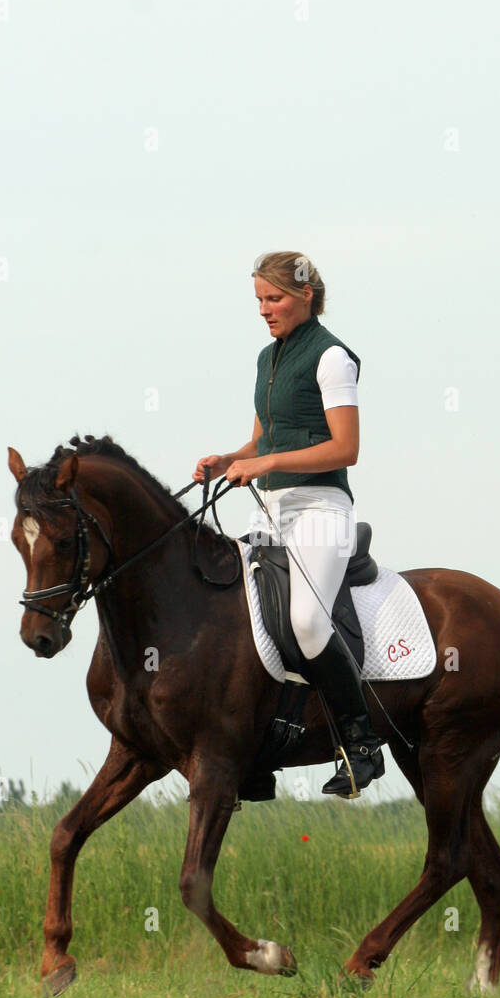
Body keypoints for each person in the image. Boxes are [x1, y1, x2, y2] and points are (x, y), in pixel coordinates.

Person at [193, 250, 385, 798]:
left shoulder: (332, 359)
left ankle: (362, 745)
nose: (264, 310)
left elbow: (345, 448)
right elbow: (262, 440)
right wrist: (228, 460)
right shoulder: (266, 359)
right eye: (258, 300)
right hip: (272, 511)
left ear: (305, 296)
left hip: (322, 511)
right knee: (232, 614)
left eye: (273, 299)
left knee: (305, 622)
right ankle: (255, 748)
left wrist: (267, 463)